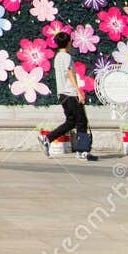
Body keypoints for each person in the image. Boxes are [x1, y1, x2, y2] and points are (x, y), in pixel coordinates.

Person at [40, 32, 94, 161]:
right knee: (82, 121)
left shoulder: (58, 57)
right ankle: (82, 151)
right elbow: (69, 74)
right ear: (69, 42)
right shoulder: (66, 57)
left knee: (71, 122)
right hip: (70, 93)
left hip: (62, 94)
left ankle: (47, 139)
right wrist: (79, 92)